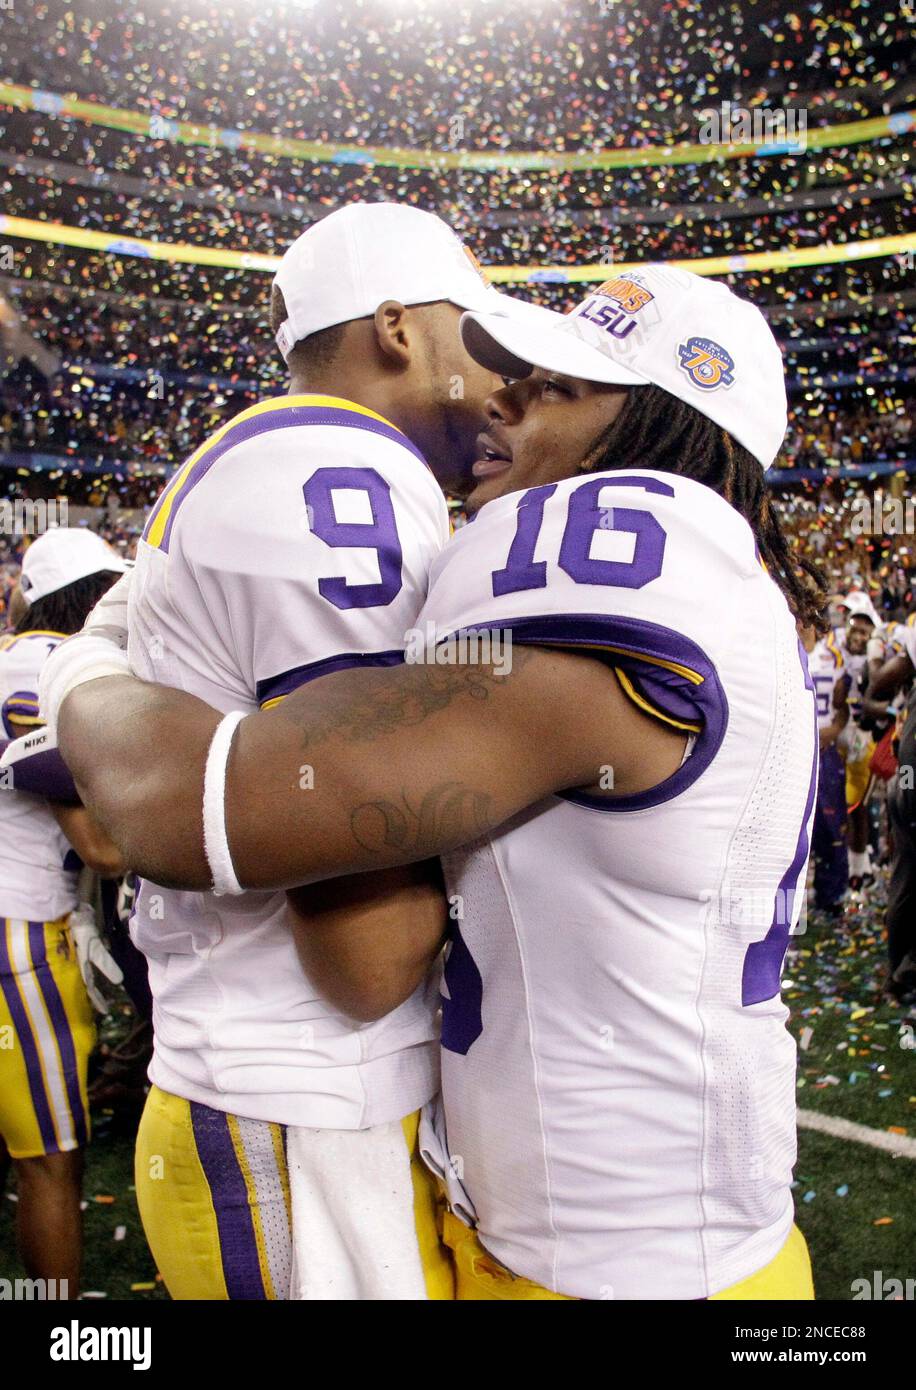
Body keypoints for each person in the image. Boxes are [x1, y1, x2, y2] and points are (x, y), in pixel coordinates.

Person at [38, 265, 825, 1300]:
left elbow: (190, 812)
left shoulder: (621, 577)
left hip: (628, 1271)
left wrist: (80, 665)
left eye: (554, 388)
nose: (501, 399)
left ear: (662, 433)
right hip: (595, 1237)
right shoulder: (710, 592)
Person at [29, 202, 514, 1302]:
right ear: (396, 327)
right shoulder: (338, 470)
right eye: (468, 329)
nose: (495, 371)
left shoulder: (263, 457)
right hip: (297, 1108)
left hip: (280, 1096)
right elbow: (366, 953)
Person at [0, 527, 127, 1295]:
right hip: (19, 933)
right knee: (52, 1153)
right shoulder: (48, 670)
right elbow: (103, 845)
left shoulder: (13, 659)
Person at [803, 624, 849, 915]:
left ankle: (830, 897)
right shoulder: (777, 644)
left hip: (823, 749)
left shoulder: (832, 656)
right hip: (792, 746)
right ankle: (785, 909)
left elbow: (843, 706)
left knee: (830, 824)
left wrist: (833, 730)